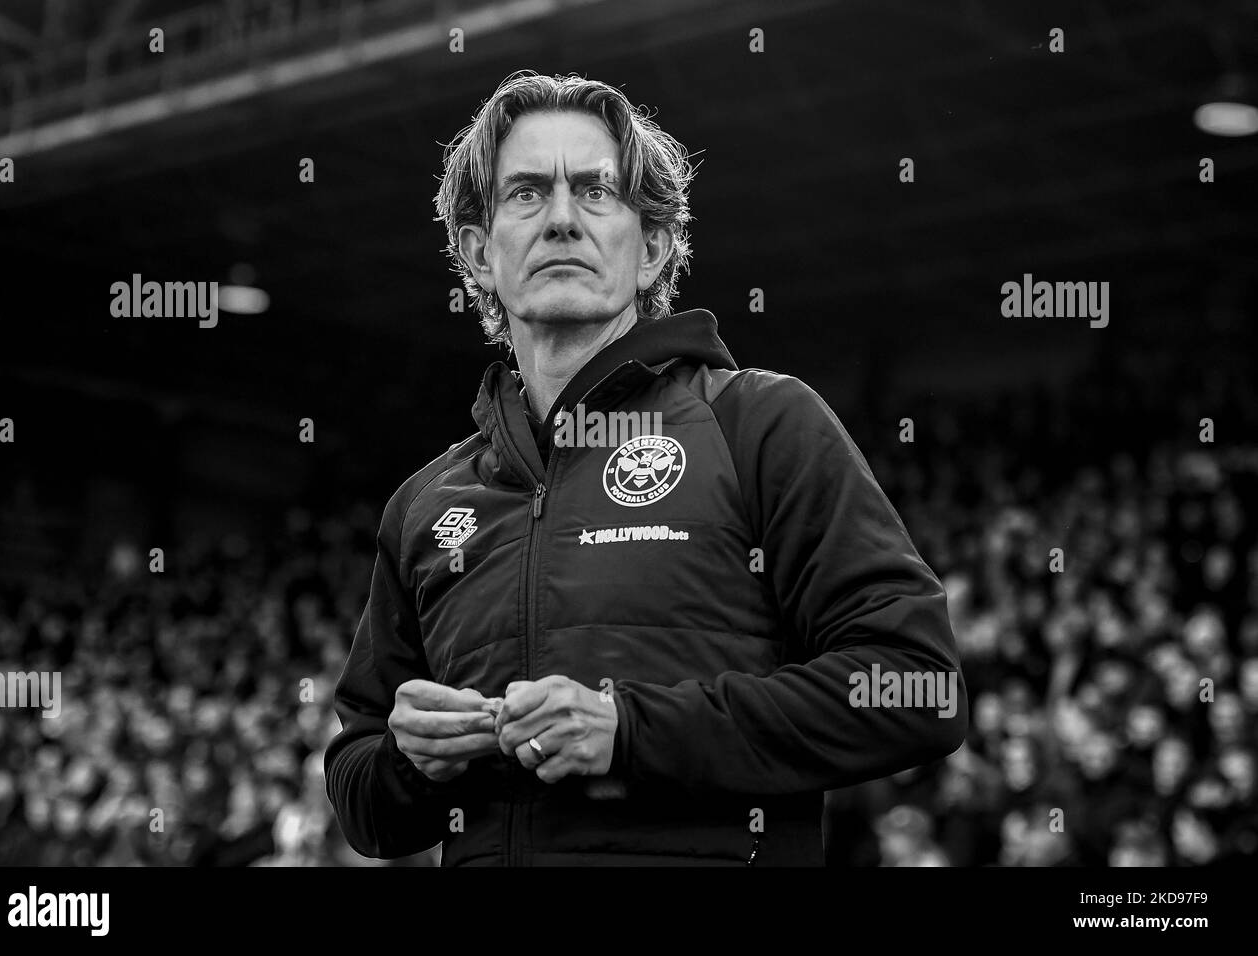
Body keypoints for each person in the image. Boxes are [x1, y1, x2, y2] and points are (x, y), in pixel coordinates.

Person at [324, 70, 967, 866]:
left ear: (652, 247)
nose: (562, 219)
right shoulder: (424, 504)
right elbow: (359, 794)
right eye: (526, 194)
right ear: (478, 253)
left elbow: (919, 688)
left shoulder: (760, 423)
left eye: (596, 192)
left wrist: (630, 730)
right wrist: (406, 762)